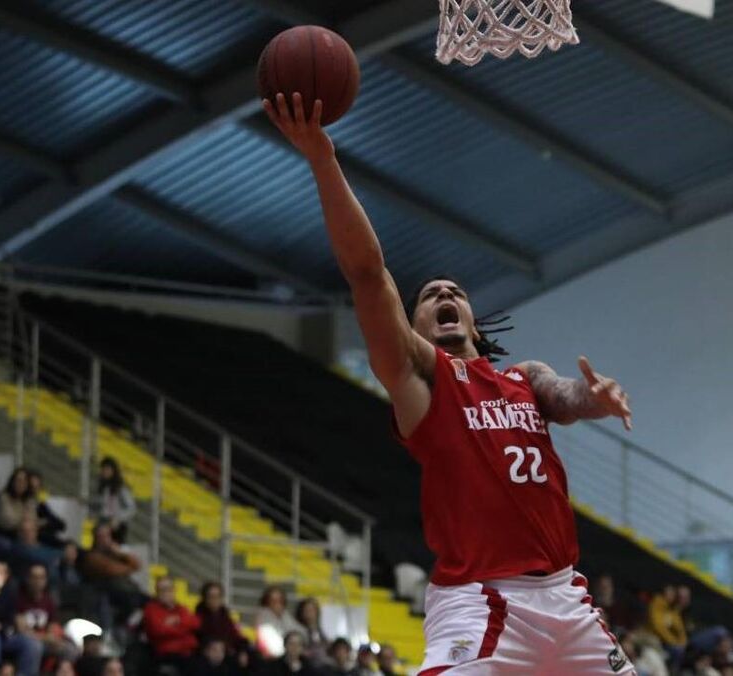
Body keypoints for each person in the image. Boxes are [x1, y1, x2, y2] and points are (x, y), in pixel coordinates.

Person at [265, 91, 636, 675]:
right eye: (428, 296)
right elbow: (367, 274)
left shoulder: (523, 377)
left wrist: (594, 398)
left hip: (568, 595)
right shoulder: (423, 383)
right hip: (480, 599)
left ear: (474, 324)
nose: (443, 294)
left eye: (455, 292)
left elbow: (564, 398)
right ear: (411, 327)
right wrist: (322, 158)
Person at [77, 522, 142, 630]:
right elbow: (112, 570)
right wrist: (129, 568)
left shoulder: (114, 552)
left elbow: (137, 564)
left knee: (147, 600)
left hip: (122, 590)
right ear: (95, 538)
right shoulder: (92, 556)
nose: (105, 539)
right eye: (102, 536)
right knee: (131, 599)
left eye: (107, 535)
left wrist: (120, 553)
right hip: (103, 590)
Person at [16, 563, 77, 664]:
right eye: (34, 577)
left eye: (41, 577)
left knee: (70, 648)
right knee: (34, 646)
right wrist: (45, 638)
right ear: (27, 579)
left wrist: (54, 638)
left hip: (44, 640)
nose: (37, 581)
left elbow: (52, 626)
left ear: (46, 580)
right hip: (24, 640)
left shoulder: (49, 601)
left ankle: (62, 670)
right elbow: (22, 631)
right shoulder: (19, 598)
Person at [142, 576, 200, 672]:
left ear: (174, 590)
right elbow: (158, 630)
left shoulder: (181, 608)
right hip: (167, 655)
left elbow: (196, 623)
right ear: (156, 592)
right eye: (162, 590)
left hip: (189, 653)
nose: (166, 593)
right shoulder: (151, 609)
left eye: (169, 589)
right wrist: (184, 627)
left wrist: (177, 621)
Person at [195, 582, 251, 667]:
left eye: (218, 596)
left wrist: (243, 650)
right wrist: (215, 647)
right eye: (212, 596)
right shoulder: (199, 616)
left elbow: (235, 636)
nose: (215, 600)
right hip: (209, 653)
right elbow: (200, 637)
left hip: (227, 651)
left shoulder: (225, 616)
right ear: (205, 598)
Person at [88, 459, 135, 544]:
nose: (104, 472)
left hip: (116, 526)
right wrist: (91, 511)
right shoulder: (100, 488)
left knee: (114, 549)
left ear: (114, 471)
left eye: (107, 469)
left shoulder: (121, 488)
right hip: (102, 524)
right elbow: (96, 506)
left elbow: (131, 508)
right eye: (103, 469)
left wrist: (117, 518)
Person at [5, 517, 61, 582]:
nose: (27, 534)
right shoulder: (16, 548)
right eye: (23, 531)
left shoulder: (42, 546)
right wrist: (55, 557)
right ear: (18, 533)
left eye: (30, 530)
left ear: (36, 532)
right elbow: (34, 557)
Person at [254, 586, 302, 659]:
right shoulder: (263, 617)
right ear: (267, 602)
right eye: (273, 600)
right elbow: (273, 648)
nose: (277, 604)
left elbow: (299, 632)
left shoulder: (285, 615)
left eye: (280, 600)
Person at [0, 469, 37, 541]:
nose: (21, 484)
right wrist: (24, 522)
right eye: (18, 480)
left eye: (24, 481)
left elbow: (32, 518)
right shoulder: (4, 496)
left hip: (22, 533)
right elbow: (8, 520)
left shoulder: (29, 499)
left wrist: (28, 523)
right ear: (12, 482)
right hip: (2, 532)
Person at [26, 471, 67, 546]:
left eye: (37, 487)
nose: (34, 491)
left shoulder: (40, 505)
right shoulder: (23, 503)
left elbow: (61, 524)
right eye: (31, 487)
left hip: (46, 539)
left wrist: (44, 523)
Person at [292, 597, 327, 665]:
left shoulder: (319, 630)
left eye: (312, 610)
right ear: (301, 612)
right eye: (307, 610)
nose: (310, 613)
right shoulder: (297, 630)